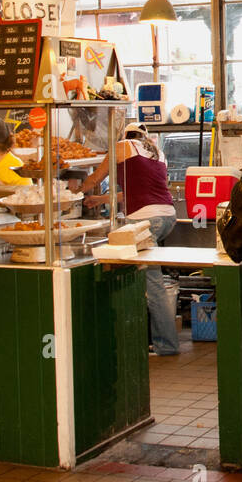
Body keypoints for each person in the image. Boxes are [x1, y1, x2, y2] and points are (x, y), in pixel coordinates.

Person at [79, 122, 181, 356]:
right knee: (146, 279)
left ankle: (167, 345)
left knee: (153, 285)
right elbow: (136, 191)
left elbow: (95, 178)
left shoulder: (122, 146)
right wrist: (100, 200)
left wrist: (68, 194)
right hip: (166, 217)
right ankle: (149, 338)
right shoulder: (157, 153)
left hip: (144, 221)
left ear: (124, 136)